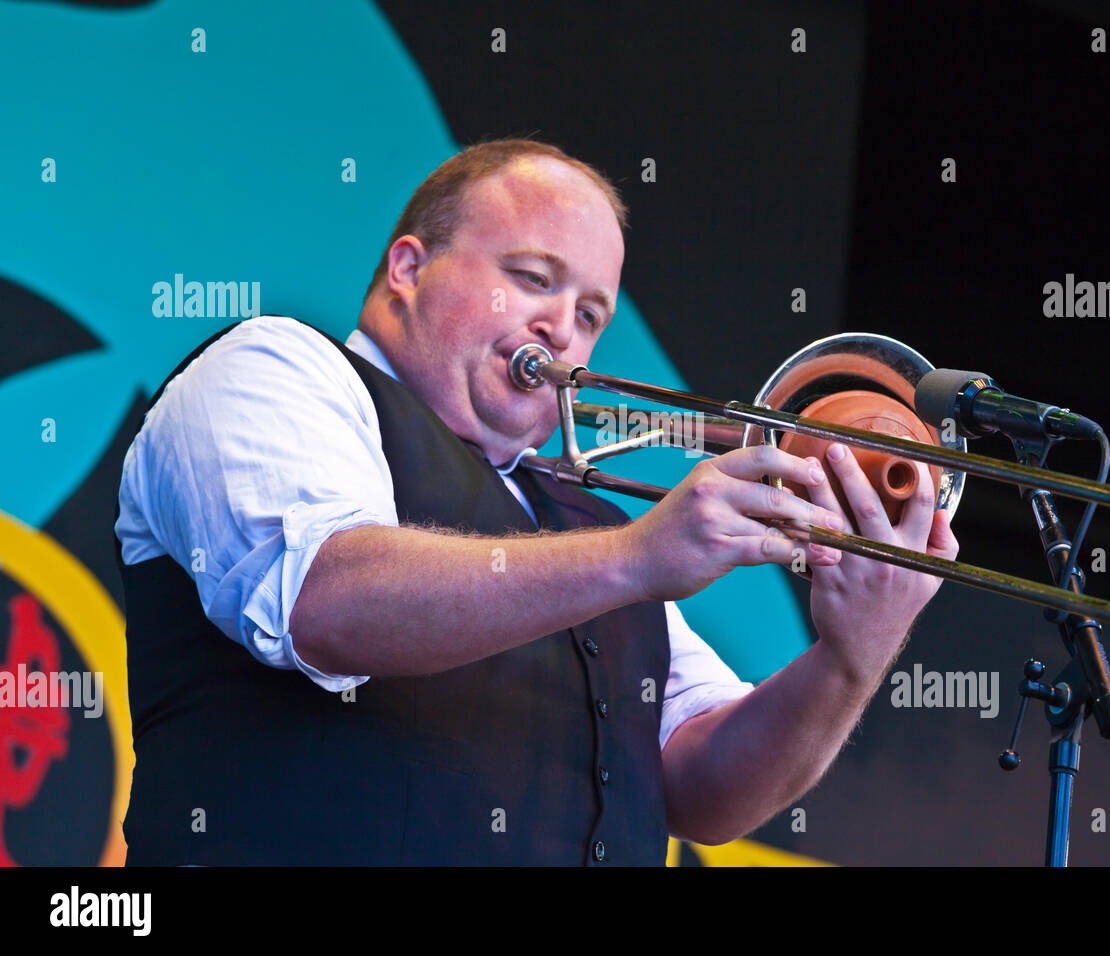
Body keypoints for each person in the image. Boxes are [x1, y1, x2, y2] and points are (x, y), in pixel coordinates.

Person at [114, 139, 959, 865]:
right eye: (531, 279)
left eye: (592, 313)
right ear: (410, 267)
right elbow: (323, 599)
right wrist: (636, 560)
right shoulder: (276, 368)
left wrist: (851, 660)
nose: (564, 329)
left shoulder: (586, 521)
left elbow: (702, 788)